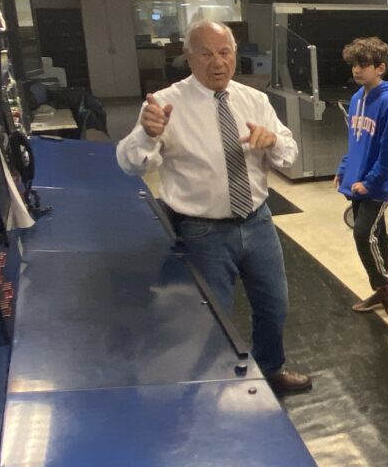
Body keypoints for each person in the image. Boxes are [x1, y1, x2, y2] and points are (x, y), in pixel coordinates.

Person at [116, 20, 311, 396]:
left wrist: (272, 143)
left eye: (224, 52)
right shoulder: (165, 103)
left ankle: (270, 369)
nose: (217, 62)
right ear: (188, 57)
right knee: (210, 319)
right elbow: (130, 163)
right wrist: (146, 134)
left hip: (258, 222)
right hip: (202, 231)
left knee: (274, 306)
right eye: (205, 53)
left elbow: (289, 156)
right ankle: (215, 389)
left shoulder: (253, 99)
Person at [335, 37, 388, 317]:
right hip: (356, 180)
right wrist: (344, 169)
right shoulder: (355, 99)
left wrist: (371, 181)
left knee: (363, 234)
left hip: (377, 185)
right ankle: (381, 289)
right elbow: (355, 142)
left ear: (380, 68)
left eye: (363, 65)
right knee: (377, 235)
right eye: (354, 65)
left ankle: (385, 288)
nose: (357, 70)